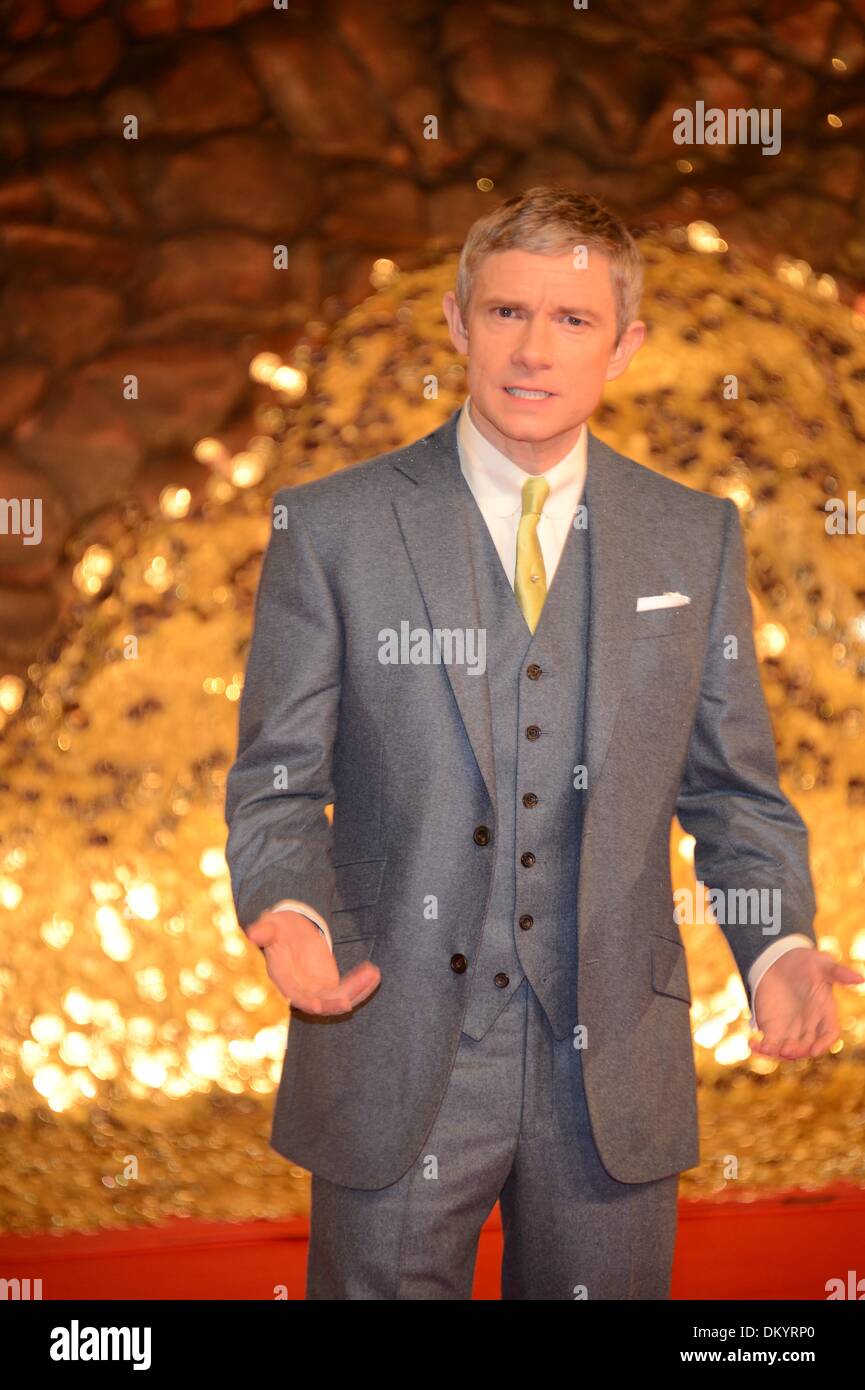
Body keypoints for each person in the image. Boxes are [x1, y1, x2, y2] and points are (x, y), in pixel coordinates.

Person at [224, 186, 863, 1300]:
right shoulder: (329, 528)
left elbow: (733, 795)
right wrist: (285, 905)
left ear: (625, 346)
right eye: (508, 312)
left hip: (611, 1065)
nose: (533, 348)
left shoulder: (692, 533)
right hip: (392, 1041)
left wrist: (774, 947)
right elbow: (277, 780)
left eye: (571, 320)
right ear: (457, 322)